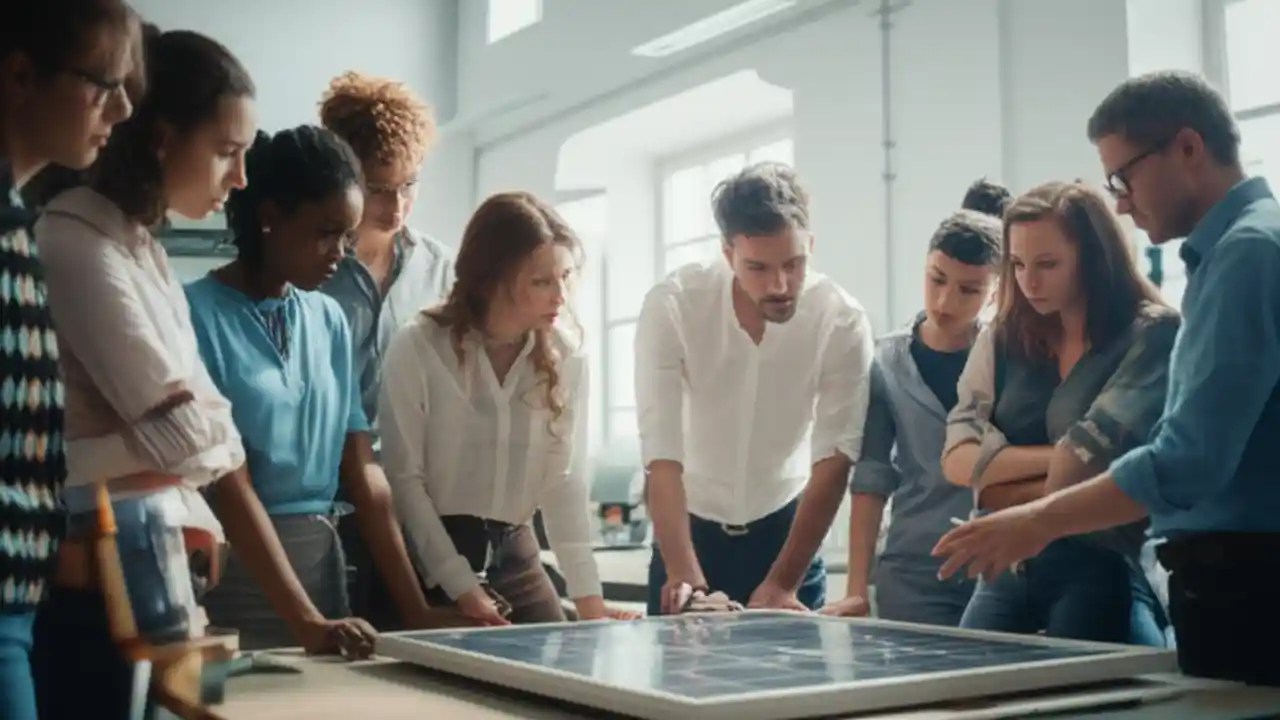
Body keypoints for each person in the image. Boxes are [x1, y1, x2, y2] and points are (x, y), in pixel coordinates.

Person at [31, 28, 374, 718]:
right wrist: (209, 446)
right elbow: (186, 434)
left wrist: (305, 618)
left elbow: (210, 431)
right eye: (227, 153)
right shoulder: (72, 241)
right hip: (99, 575)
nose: (240, 179)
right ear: (161, 139)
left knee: (201, 713)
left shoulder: (142, 253)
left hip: (167, 565)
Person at [934, 70, 1280, 685]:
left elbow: (1185, 460)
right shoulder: (1237, 251)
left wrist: (1032, 517)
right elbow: (962, 459)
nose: (1121, 201)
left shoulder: (1245, 256)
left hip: (1245, 581)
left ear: (1188, 148)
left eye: (1125, 176)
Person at [185, 125, 459, 649]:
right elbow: (230, 484)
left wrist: (416, 609)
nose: (342, 252)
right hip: (235, 571)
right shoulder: (194, 314)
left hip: (325, 571)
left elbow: (362, 472)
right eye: (326, 232)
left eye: (348, 236)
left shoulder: (327, 317)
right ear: (269, 219)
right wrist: (305, 620)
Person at [937, 180, 1178, 644]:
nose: (1029, 282)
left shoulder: (1150, 334)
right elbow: (956, 457)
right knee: (962, 697)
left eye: (1047, 264)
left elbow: (1071, 473)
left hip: (1104, 565)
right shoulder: (1007, 335)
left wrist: (999, 475)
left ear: (1093, 258)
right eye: (1018, 264)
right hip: (1008, 564)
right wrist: (1064, 454)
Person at [380, 191, 636, 625]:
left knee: (567, 677)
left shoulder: (567, 359)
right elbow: (404, 481)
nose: (560, 296)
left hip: (516, 558)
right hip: (429, 559)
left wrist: (590, 602)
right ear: (493, 277)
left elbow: (564, 487)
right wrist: (460, 585)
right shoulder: (419, 344)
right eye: (541, 281)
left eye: (566, 277)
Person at [636, 162, 875, 615]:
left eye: (794, 264)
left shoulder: (841, 320)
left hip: (789, 538)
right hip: (688, 534)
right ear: (728, 255)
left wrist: (784, 582)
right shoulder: (673, 305)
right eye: (758, 267)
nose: (780, 284)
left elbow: (835, 457)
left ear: (811, 245)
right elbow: (660, 450)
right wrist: (685, 572)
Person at [0, 2, 135, 717]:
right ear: (21, 75)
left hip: (22, 597)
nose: (123, 106)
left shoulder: (16, 218)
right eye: (101, 83)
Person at [820, 200, 1002, 626]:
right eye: (936, 279)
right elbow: (871, 477)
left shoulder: (1008, 356)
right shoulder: (885, 362)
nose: (945, 300)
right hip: (912, 569)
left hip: (994, 564)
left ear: (994, 291)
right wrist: (854, 590)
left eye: (968, 289)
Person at [317, 70, 454, 628]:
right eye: (378, 187)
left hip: (419, 504)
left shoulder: (443, 269)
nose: (397, 205)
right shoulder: (312, 270)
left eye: (410, 185)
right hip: (329, 506)